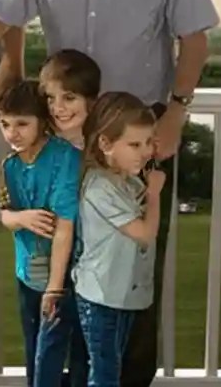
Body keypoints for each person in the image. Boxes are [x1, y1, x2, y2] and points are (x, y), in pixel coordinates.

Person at [0, 0, 218, 386]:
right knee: (57, 268)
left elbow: (195, 43)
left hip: (134, 137)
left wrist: (176, 113)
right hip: (64, 136)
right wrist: (8, 63)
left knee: (128, 271)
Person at [73, 92, 164, 387]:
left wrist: (146, 184)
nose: (145, 151)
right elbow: (144, 233)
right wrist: (154, 194)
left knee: (113, 367)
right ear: (105, 144)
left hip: (121, 295)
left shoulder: (126, 180)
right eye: (135, 144)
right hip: (101, 296)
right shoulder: (100, 186)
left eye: (149, 142)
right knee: (104, 373)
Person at [0, 78, 81, 387]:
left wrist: (55, 288)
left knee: (60, 355)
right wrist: (21, 218)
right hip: (26, 274)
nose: (11, 133)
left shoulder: (65, 158)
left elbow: (65, 225)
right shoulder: (10, 165)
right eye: (4, 124)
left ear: (42, 122)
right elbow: (4, 214)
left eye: (21, 123)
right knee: (35, 353)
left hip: (63, 277)